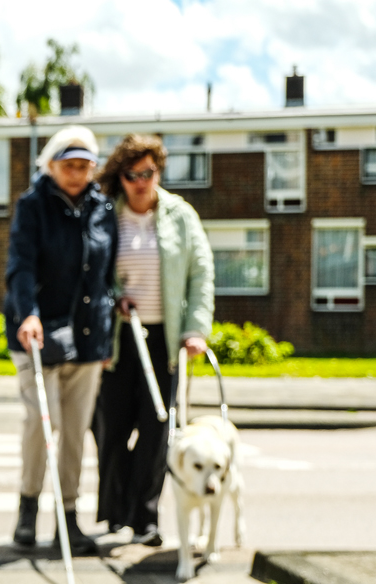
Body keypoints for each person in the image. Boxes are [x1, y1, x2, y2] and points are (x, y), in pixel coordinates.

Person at [93, 134, 215, 546]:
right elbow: (94, 272)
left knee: (156, 430)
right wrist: (113, 299)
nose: (141, 182)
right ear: (121, 177)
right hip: (118, 340)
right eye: (132, 175)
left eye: (148, 173)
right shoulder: (107, 215)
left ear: (158, 171)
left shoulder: (180, 214)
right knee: (111, 430)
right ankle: (114, 513)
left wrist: (195, 328)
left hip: (164, 342)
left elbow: (201, 272)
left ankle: (144, 518)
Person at [3, 126, 118, 554]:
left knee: (74, 432)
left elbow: (104, 275)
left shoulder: (102, 208)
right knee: (40, 423)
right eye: (69, 165)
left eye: (85, 166)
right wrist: (28, 313)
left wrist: (112, 316)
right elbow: (21, 266)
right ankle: (28, 508)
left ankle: (68, 519)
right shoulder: (32, 207)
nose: (77, 173)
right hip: (38, 336)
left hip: (88, 341)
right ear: (51, 166)